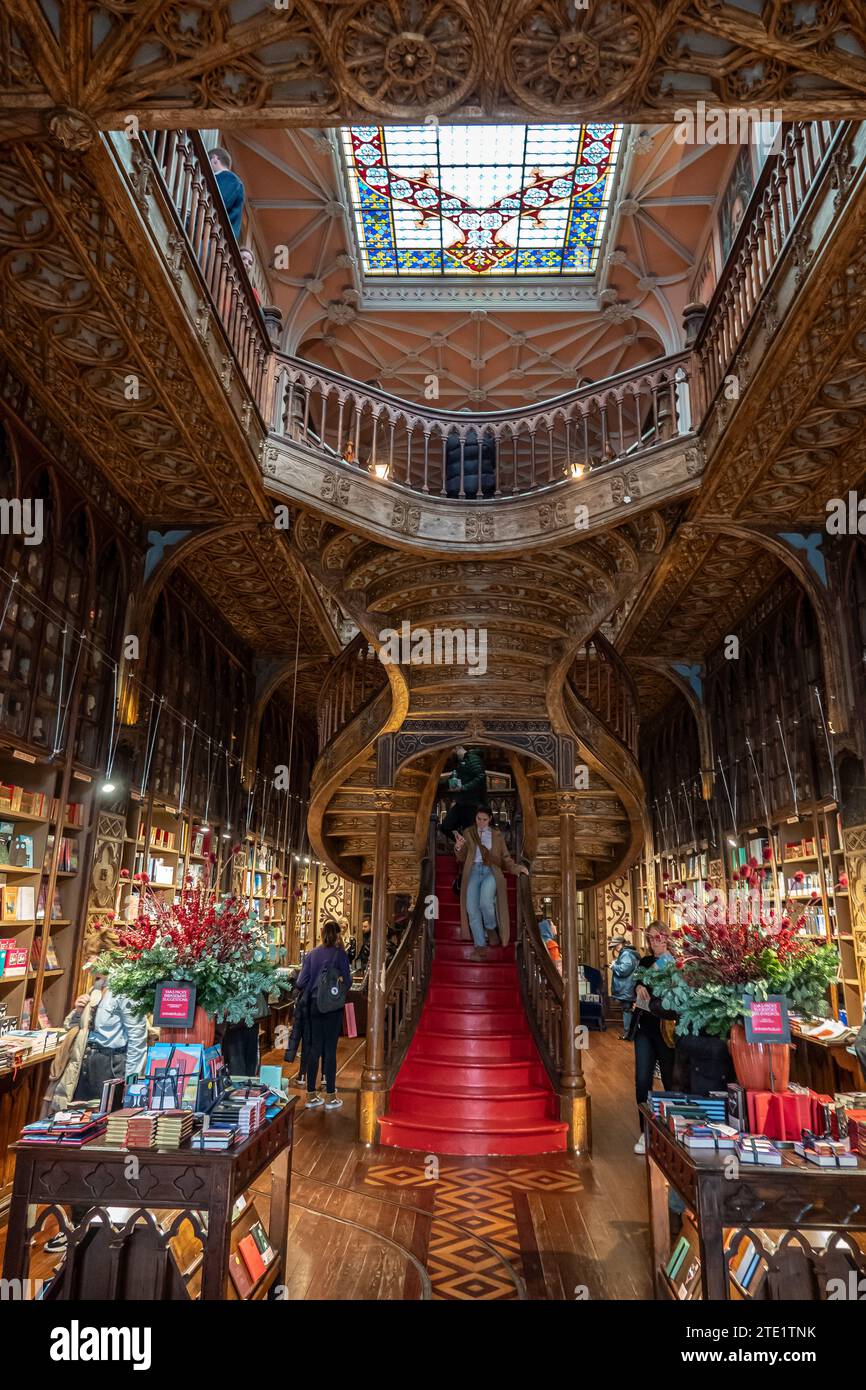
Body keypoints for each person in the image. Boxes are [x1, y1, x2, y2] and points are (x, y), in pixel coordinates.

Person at [43, 951, 148, 1253]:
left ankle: (102, 1225)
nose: (89, 965)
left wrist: (132, 1087)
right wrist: (77, 1013)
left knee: (105, 1143)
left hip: (110, 1067)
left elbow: (137, 1038)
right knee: (77, 1140)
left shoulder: (126, 989)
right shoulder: (95, 988)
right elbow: (75, 1029)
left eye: (93, 959)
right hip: (83, 1067)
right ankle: (77, 1223)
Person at [454, 805, 528, 961]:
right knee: (471, 908)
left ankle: (490, 927)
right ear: (475, 818)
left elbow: (505, 859)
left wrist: (516, 868)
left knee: (485, 902)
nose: (481, 822)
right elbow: (461, 857)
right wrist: (459, 846)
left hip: (491, 871)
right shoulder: (469, 832)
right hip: (472, 871)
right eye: (478, 819)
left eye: (484, 819)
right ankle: (480, 947)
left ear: (490, 819)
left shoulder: (496, 835)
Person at [295, 917, 352, 1109]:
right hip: (332, 1007)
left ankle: (311, 1096)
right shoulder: (340, 955)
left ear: (321, 934)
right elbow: (348, 982)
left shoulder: (312, 954)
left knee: (313, 1048)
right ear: (338, 934)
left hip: (313, 1005)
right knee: (330, 1050)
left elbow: (301, 982)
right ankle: (330, 1097)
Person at [631, 922, 677, 1154]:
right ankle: (645, 1130)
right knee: (642, 1079)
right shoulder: (646, 962)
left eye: (658, 937)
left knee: (671, 1078)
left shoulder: (678, 963)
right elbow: (638, 982)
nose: (654, 943)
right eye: (650, 939)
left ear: (667, 937)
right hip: (646, 1027)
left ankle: (675, 1127)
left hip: (668, 1028)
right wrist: (638, 986)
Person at [439, 745, 486, 843]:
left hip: (472, 803)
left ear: (456, 749)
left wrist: (464, 787)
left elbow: (481, 777)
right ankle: (463, 844)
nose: (450, 756)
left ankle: (469, 852)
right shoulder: (461, 762)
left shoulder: (472, 758)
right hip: (462, 802)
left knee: (470, 833)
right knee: (446, 827)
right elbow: (454, 778)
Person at [609, 933, 641, 1038]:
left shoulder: (626, 954)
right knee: (628, 1010)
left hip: (626, 987)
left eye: (616, 945)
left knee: (627, 1010)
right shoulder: (628, 953)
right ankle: (630, 1033)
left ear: (621, 944)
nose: (615, 948)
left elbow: (624, 970)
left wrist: (614, 966)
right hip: (628, 987)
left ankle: (629, 1034)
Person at [209, 146, 245, 238]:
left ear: (214, 158)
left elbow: (217, 204)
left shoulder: (230, 179)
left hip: (214, 236)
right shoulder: (231, 180)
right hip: (215, 235)